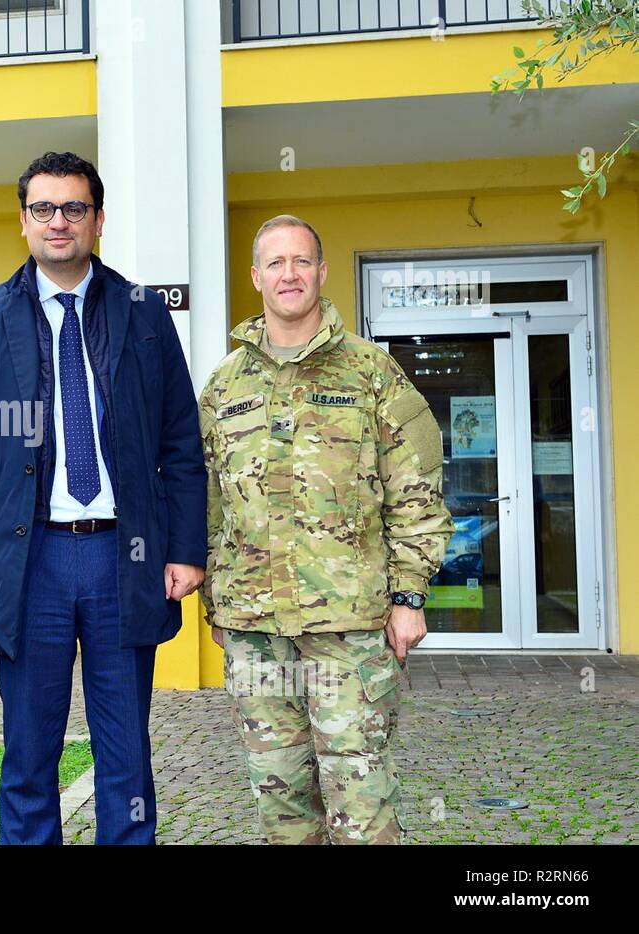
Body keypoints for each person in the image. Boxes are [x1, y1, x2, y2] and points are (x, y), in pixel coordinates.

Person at [0, 152, 207, 845]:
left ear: (99, 219)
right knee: (28, 751)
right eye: (45, 209)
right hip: (29, 562)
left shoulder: (144, 313)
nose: (60, 222)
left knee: (125, 754)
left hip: (125, 554)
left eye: (75, 208)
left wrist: (185, 549)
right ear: (23, 221)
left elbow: (180, 441)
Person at [199, 214, 454, 844]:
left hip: (351, 625)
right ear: (255, 276)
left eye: (302, 261)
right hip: (254, 628)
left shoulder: (372, 372)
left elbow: (416, 488)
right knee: (280, 795)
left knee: (359, 793)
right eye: (276, 263)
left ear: (322, 271)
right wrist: (214, 593)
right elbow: (202, 498)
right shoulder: (224, 384)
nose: (290, 274)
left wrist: (409, 597)